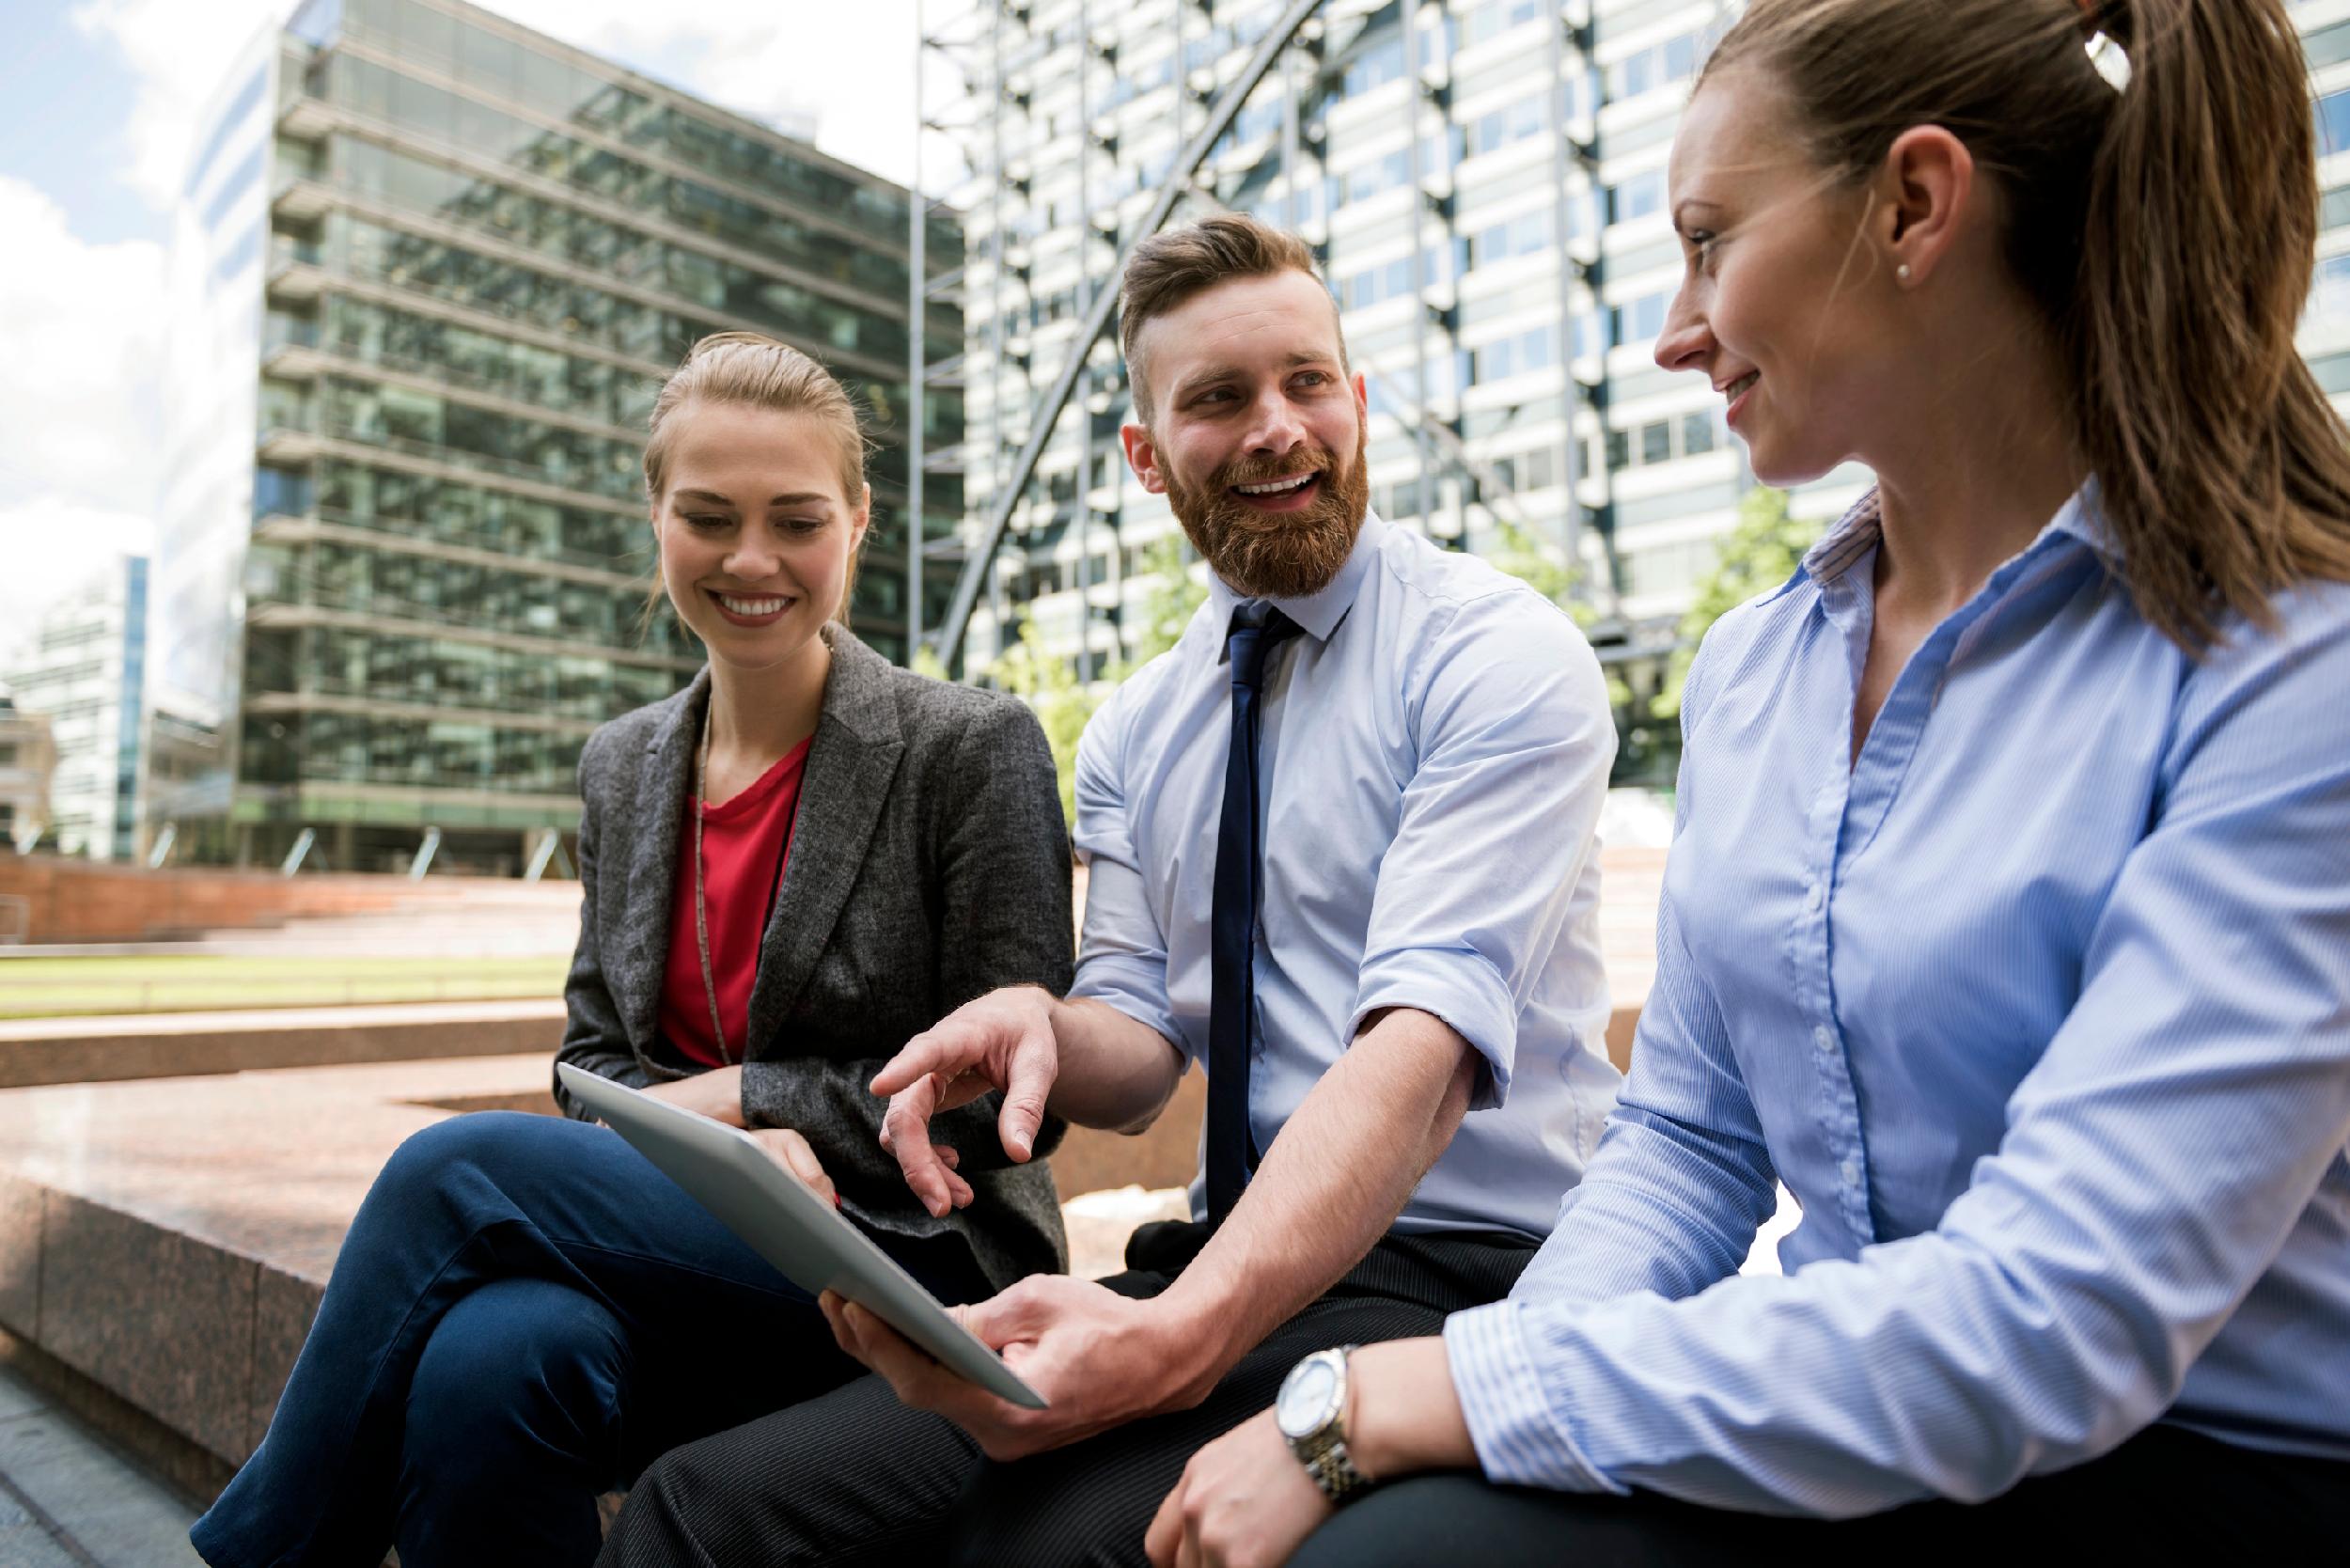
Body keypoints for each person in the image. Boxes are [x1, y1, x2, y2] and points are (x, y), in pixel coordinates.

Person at [1145, 3, 2350, 1563]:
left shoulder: (2290, 665)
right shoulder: (1757, 673)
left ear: (1915, 206)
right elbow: (1691, 1147)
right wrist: (1479, 1420)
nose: (1674, 325)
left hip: (2213, 1468)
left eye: (1710, 241)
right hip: (1863, 1420)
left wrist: (1395, 1399)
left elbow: (2057, 1320)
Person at [597, 215, 1625, 1564]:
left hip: (1465, 1273)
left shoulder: (1497, 656)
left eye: (1307, 383)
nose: (1277, 429)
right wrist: (1034, 1023)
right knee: (708, 1508)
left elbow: (1422, 1059)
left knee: (1030, 1545)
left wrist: (1181, 1342)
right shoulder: (1140, 728)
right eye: (1217, 399)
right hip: (1221, 1260)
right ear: (1147, 457)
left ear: (1358, 404)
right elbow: (1138, 1057)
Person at [189, 332, 1077, 1568]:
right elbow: (592, 1053)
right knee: (484, 1366)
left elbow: (1012, 1106)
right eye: (708, 516)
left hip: (917, 1259)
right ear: (655, 519)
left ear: (860, 523)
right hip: (699, 1245)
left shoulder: (971, 750)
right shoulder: (623, 764)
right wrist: (721, 1145)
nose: (751, 559)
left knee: (450, 1174)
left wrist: (749, 1101)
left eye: (796, 519)